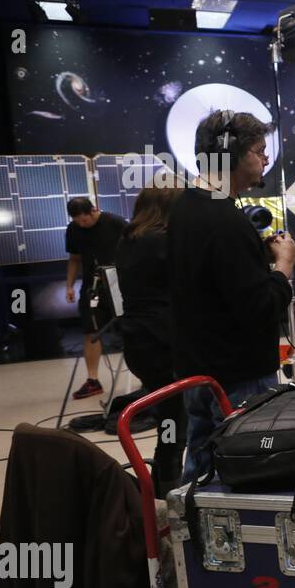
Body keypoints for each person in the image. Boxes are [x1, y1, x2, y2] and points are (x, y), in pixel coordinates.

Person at [169, 110, 295, 481]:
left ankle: (193, 534)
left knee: (201, 471)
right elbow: (260, 308)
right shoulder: (225, 222)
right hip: (238, 379)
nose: (266, 160)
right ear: (232, 156)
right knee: (246, 475)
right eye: (259, 150)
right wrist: (283, 267)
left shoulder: (186, 208)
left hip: (198, 371)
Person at [114, 184, 186, 496]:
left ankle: (162, 486)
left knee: (169, 421)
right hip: (164, 341)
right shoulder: (163, 241)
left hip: (139, 340)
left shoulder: (128, 238)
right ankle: (168, 494)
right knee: (176, 423)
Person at [64, 198, 127, 400]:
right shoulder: (73, 230)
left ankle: (146, 376)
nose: (82, 225)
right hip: (92, 285)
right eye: (78, 222)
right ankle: (93, 380)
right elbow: (74, 259)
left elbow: (134, 248)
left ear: (93, 211)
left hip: (118, 282)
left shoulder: (115, 223)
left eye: (85, 221)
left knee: (130, 327)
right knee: (90, 331)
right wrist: (69, 285)